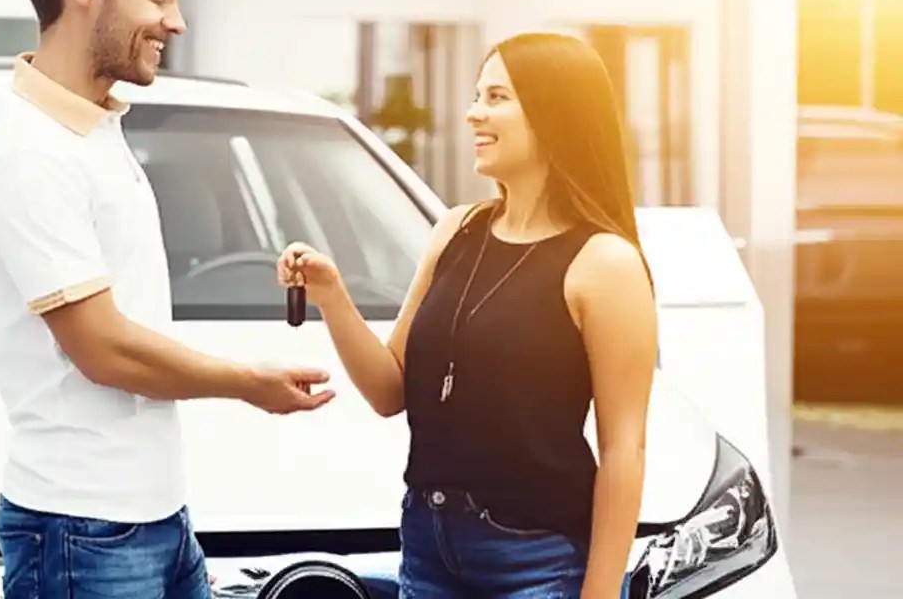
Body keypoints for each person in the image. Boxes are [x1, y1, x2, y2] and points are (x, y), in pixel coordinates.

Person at [0, 0, 334, 599]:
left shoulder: (94, 128)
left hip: (152, 516)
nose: (176, 21)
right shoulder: (25, 150)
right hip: (82, 531)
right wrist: (247, 384)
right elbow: (102, 347)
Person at [278, 32, 657, 598]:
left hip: (535, 560)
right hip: (429, 549)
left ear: (556, 114)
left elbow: (624, 450)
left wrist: (599, 595)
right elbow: (389, 391)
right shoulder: (456, 230)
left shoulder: (604, 263)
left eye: (497, 97)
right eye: (478, 95)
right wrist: (332, 294)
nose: (473, 113)